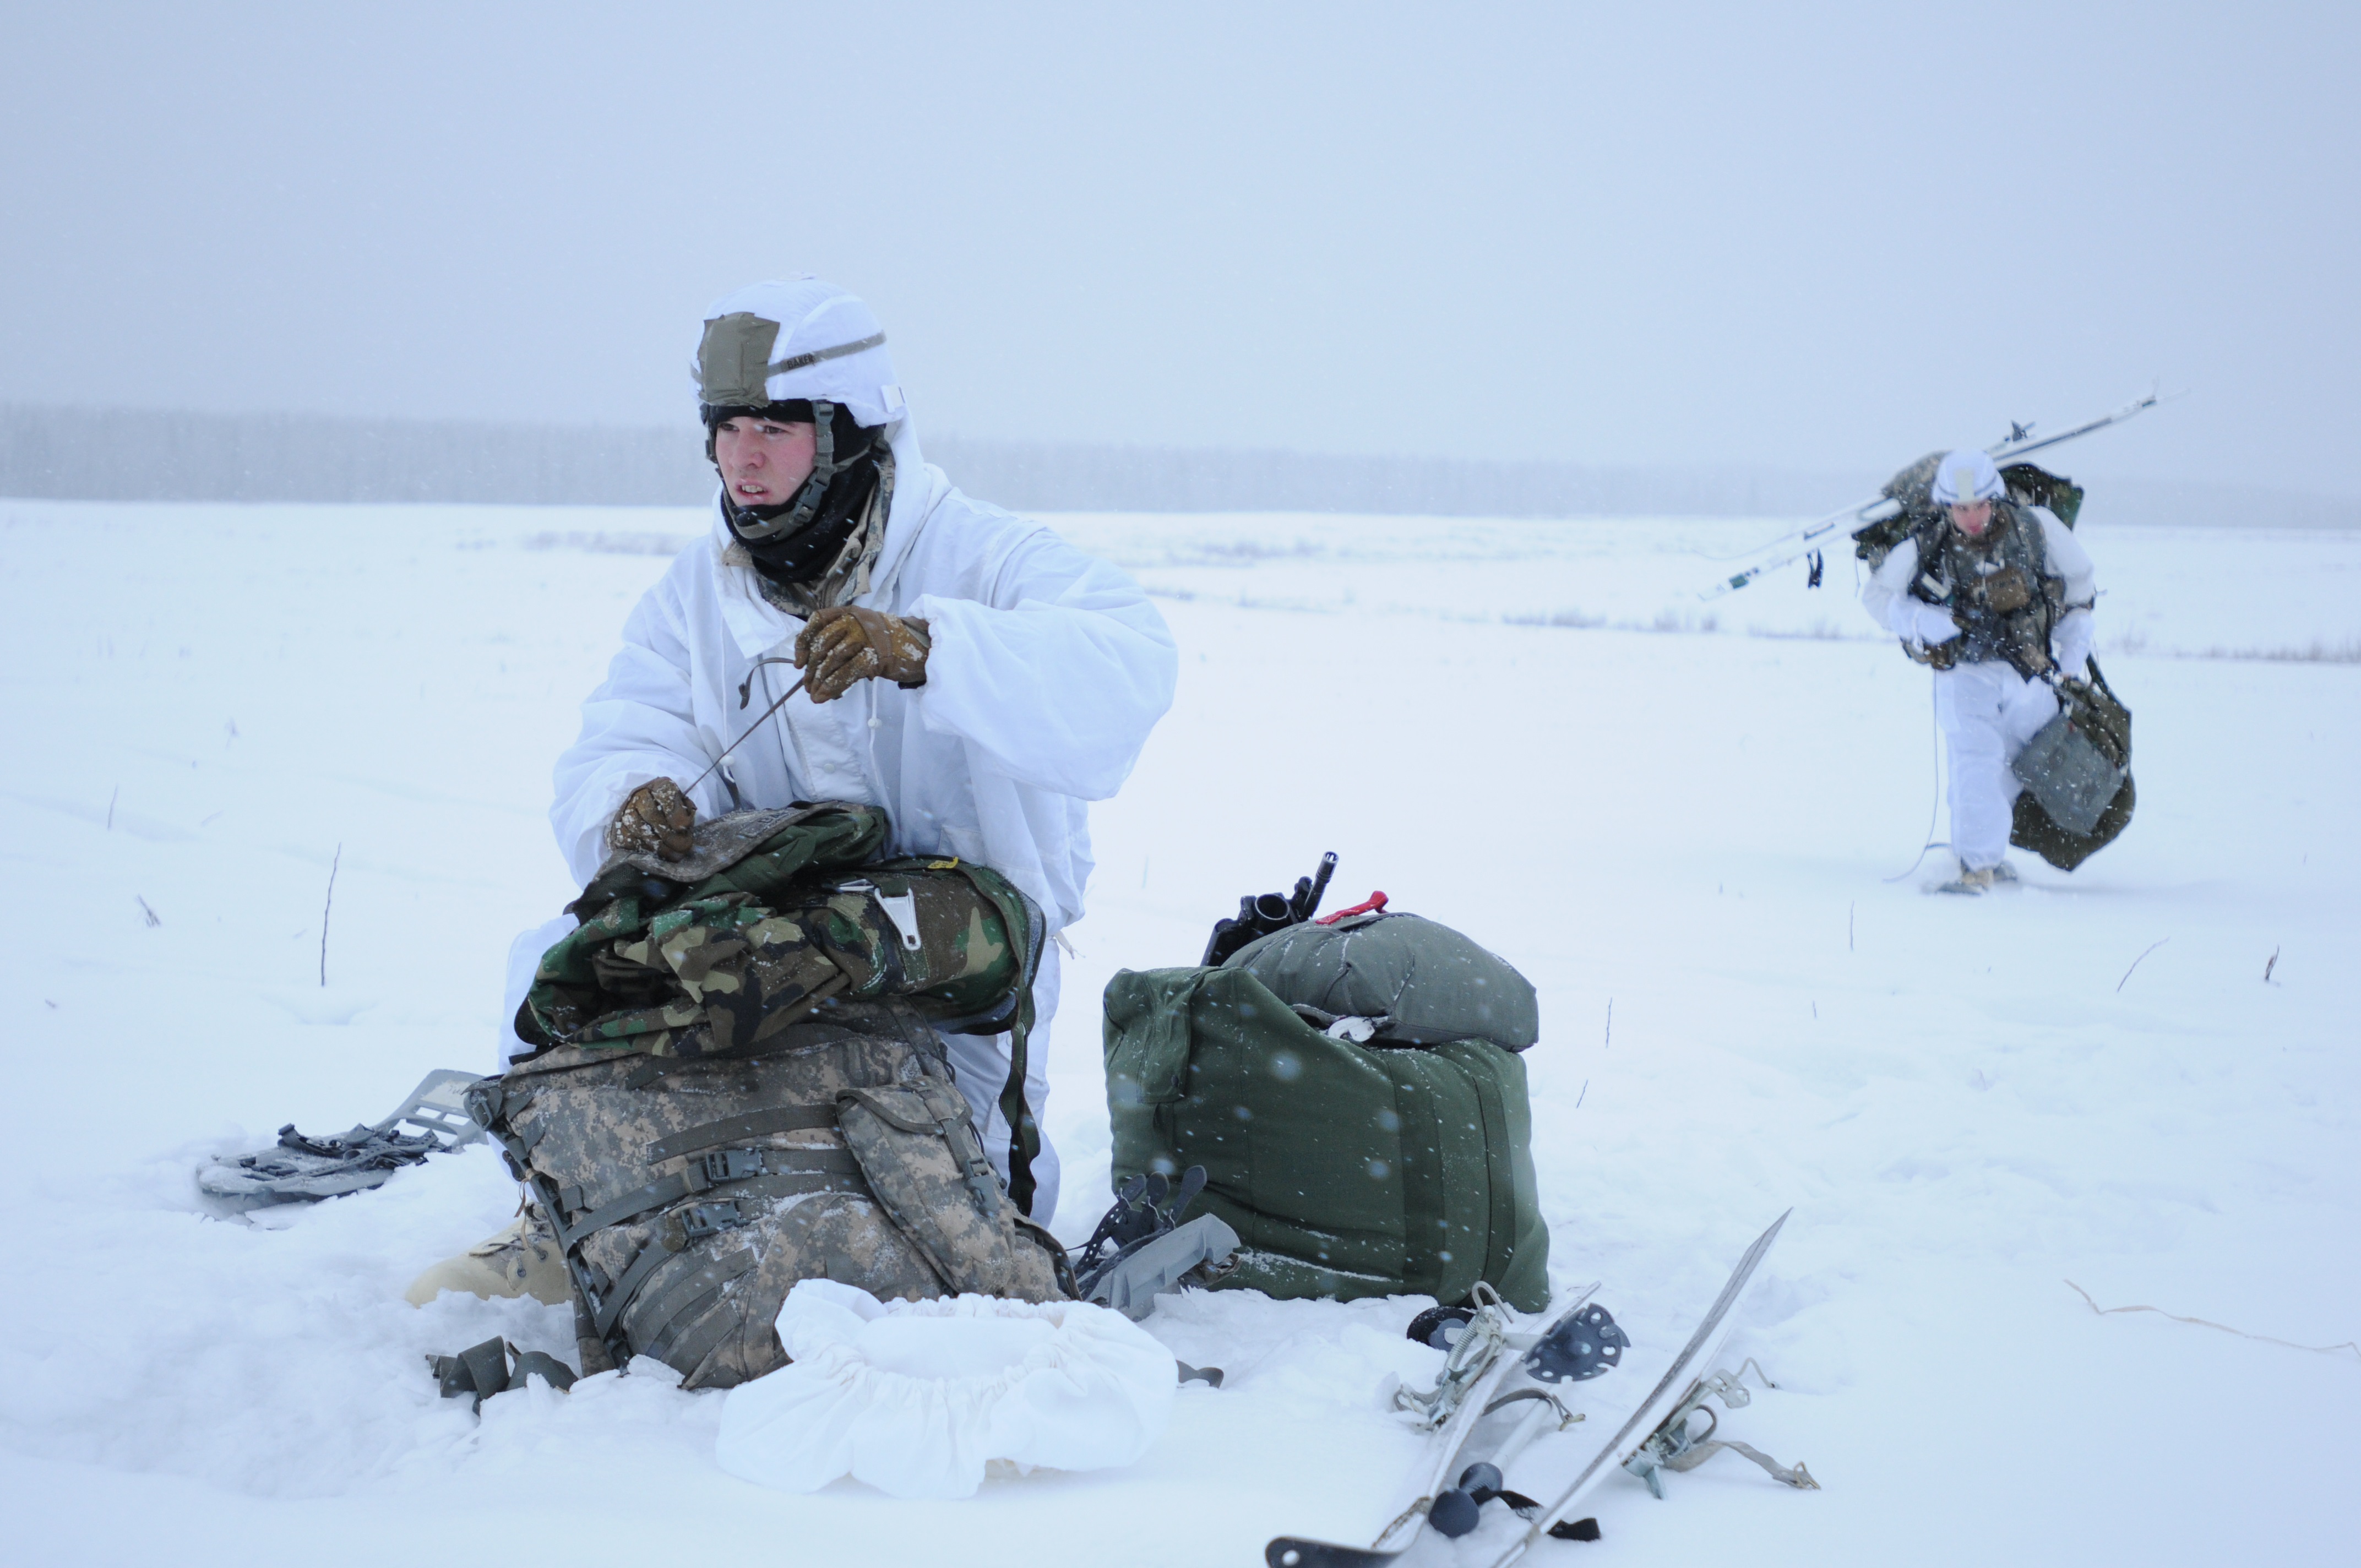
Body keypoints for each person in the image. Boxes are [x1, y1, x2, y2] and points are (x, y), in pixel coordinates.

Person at [411, 280, 1177, 1308]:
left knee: (923, 1215)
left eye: (775, 428)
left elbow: (1130, 663)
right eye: (724, 429)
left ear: (855, 432)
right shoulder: (695, 596)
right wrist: (629, 800)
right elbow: (624, 733)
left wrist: (932, 652)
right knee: (562, 961)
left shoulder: (982, 554)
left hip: (956, 987)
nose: (744, 459)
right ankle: (569, 1218)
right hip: (774, 956)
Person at [1860, 447, 2097, 894]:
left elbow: (2081, 584)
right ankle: (1976, 868)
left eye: (1979, 506)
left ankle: (1985, 852)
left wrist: (2072, 655)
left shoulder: (2037, 528)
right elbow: (1877, 600)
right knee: (1975, 761)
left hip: (2034, 672)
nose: (1971, 518)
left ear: (1996, 497)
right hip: (1965, 673)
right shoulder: (1925, 543)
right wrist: (1924, 623)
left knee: (2016, 765)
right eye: (1960, 508)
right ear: (1946, 506)